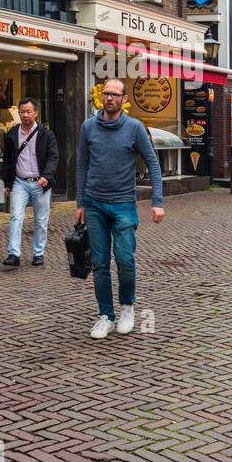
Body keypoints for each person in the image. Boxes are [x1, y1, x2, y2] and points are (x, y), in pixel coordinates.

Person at [76, 78, 163, 340]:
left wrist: (157, 201)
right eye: (106, 93)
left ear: (125, 99)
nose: (110, 98)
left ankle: (127, 306)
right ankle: (105, 315)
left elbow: (153, 164)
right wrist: (80, 202)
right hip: (94, 204)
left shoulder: (135, 128)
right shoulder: (88, 127)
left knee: (125, 260)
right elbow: (82, 166)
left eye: (115, 94)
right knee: (99, 263)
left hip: (124, 204)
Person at [2, 97, 58, 268]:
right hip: (20, 181)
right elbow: (8, 159)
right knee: (16, 216)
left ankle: (38, 253)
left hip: (40, 183)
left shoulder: (45, 134)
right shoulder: (12, 133)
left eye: (28, 111)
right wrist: (7, 183)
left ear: (35, 113)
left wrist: (46, 176)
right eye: (22, 112)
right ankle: (14, 253)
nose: (25, 115)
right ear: (18, 113)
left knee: (41, 220)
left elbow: (53, 156)